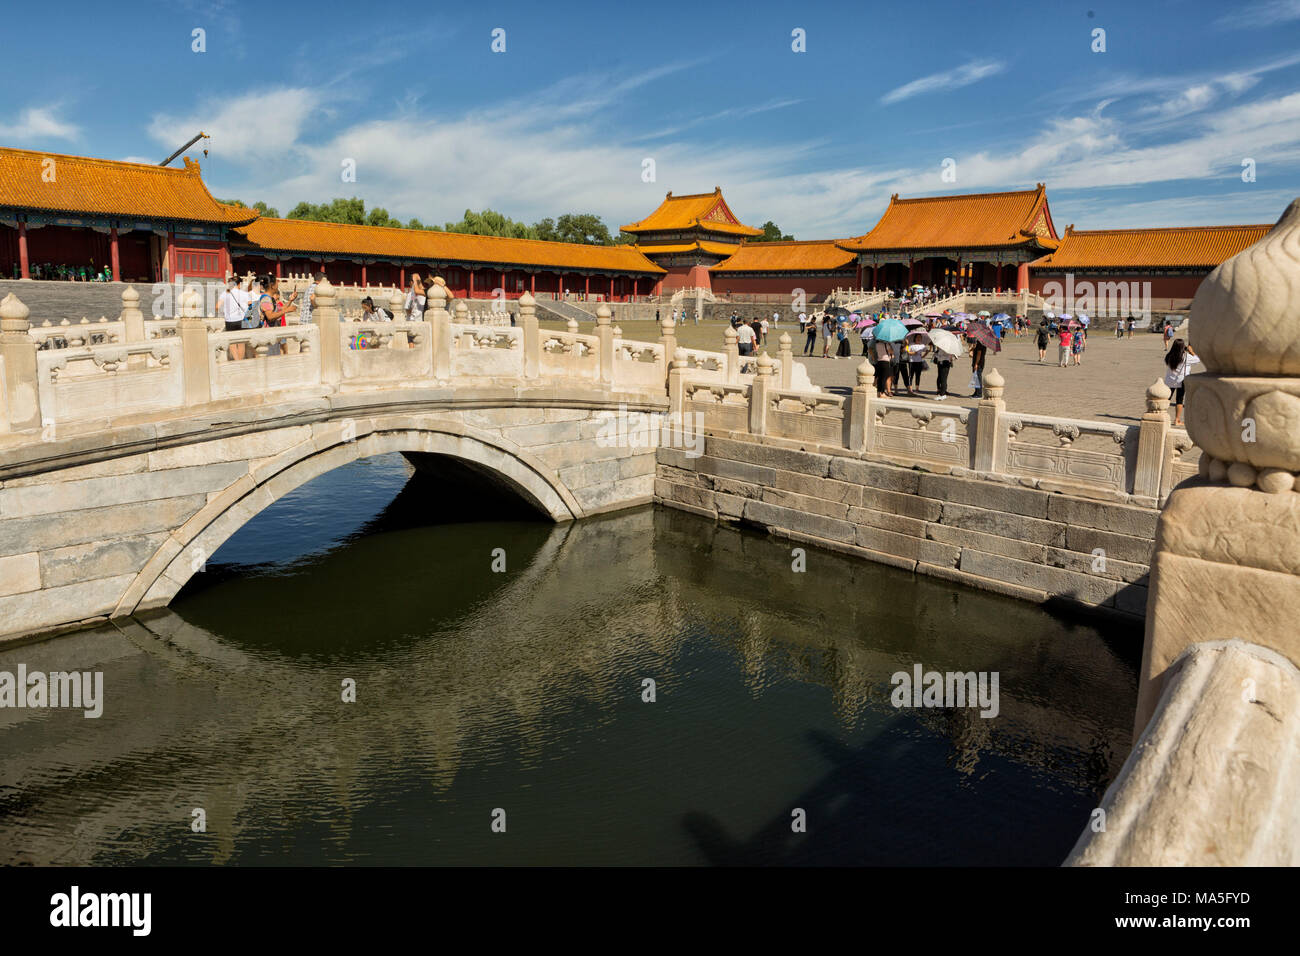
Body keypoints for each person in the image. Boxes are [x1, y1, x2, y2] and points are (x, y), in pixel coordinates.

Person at [1163, 339, 1200, 427]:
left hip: (1169, 380)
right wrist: (1191, 351)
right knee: (1179, 400)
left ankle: (1161, 415)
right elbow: (1197, 360)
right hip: (1181, 381)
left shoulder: (1168, 356)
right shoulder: (1186, 357)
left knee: (1166, 399)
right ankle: (1177, 420)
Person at [217, 276, 248, 361]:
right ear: (239, 284)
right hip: (241, 320)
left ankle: (236, 360)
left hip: (230, 320)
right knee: (241, 342)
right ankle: (240, 361)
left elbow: (217, 306)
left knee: (232, 342)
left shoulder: (225, 293)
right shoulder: (244, 294)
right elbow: (251, 305)